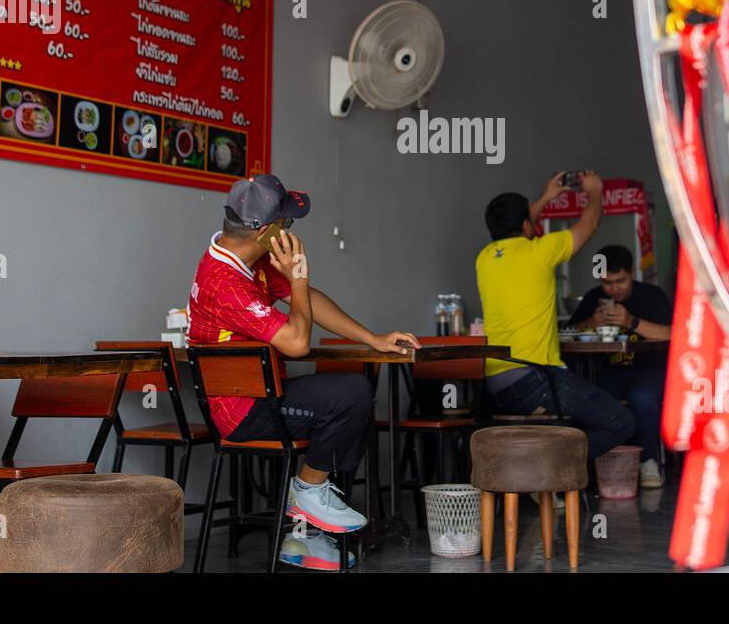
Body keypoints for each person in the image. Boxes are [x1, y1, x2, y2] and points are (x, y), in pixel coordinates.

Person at [187, 173, 420, 570]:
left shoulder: (245, 257)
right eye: (287, 224)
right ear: (264, 230)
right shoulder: (225, 281)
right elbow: (297, 342)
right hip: (243, 413)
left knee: (349, 411)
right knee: (351, 395)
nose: (291, 231)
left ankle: (304, 537)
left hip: (260, 397)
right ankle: (308, 493)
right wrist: (297, 277)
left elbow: (307, 299)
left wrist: (372, 338)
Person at [475, 171, 634, 466]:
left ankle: (541, 470)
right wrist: (595, 191)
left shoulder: (484, 258)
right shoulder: (541, 251)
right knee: (620, 422)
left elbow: (514, 228)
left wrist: (548, 197)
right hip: (537, 379)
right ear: (526, 224)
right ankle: (548, 468)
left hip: (494, 386)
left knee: (574, 423)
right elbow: (590, 223)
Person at [567, 244, 672, 487]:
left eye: (620, 281)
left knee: (642, 397)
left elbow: (673, 333)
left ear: (631, 272)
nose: (614, 289)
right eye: (607, 282)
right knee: (589, 398)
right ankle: (592, 464)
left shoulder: (651, 295)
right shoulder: (594, 298)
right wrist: (591, 322)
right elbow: (568, 333)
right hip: (610, 372)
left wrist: (631, 322)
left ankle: (648, 462)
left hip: (649, 370)